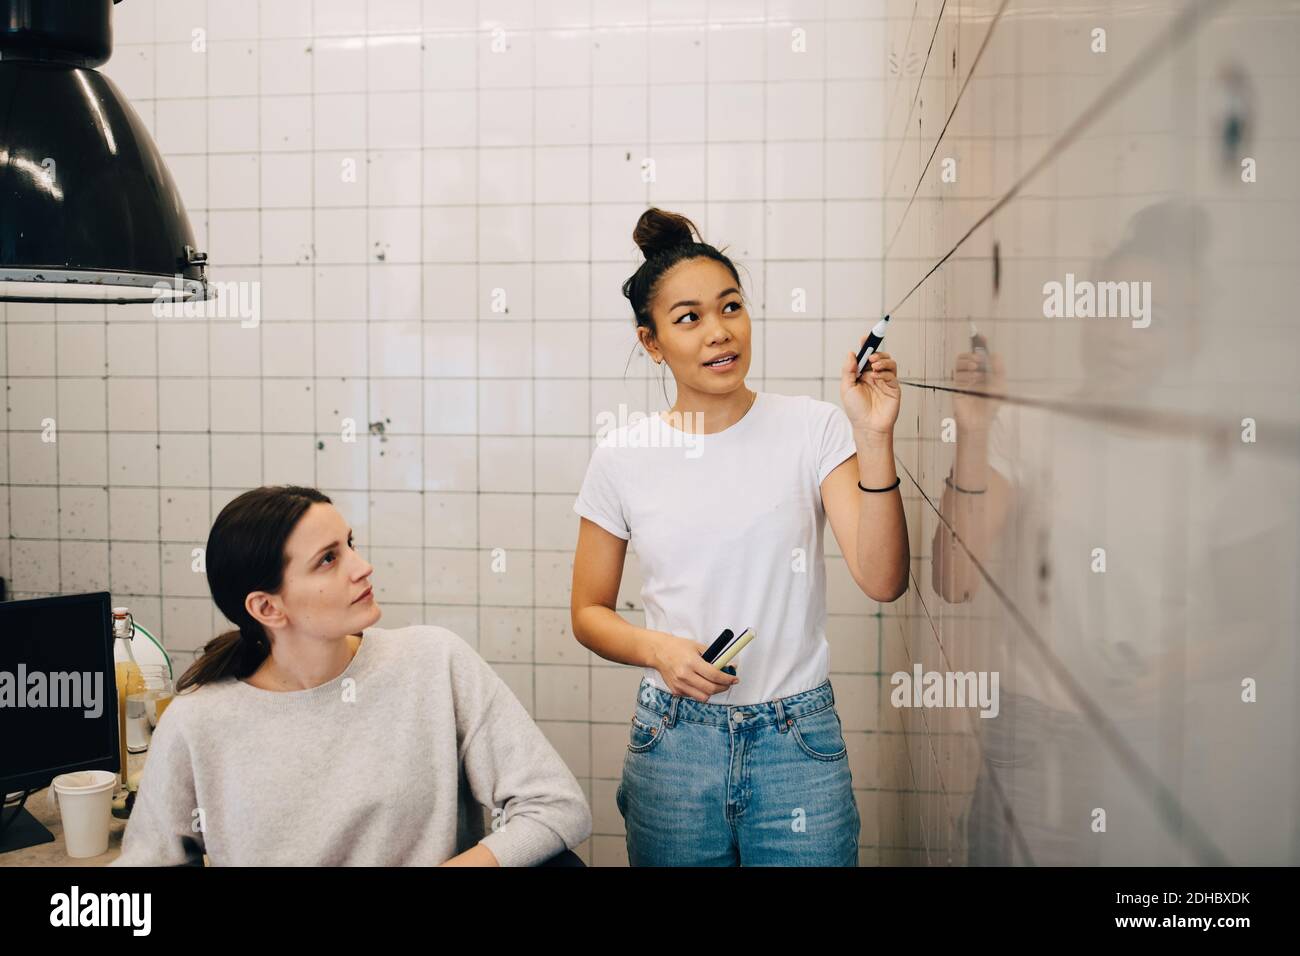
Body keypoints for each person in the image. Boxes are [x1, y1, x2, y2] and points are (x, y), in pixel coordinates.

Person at [570, 207, 909, 865]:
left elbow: (883, 578)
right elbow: (587, 613)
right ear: (652, 342)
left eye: (731, 307)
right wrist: (658, 650)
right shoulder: (623, 456)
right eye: (689, 317)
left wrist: (874, 436)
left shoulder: (813, 429)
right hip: (673, 743)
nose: (719, 332)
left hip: (798, 743)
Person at [112, 485, 591, 866]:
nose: (363, 568)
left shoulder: (433, 662)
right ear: (266, 607)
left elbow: (557, 806)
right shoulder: (197, 722)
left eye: (350, 545)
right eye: (328, 558)